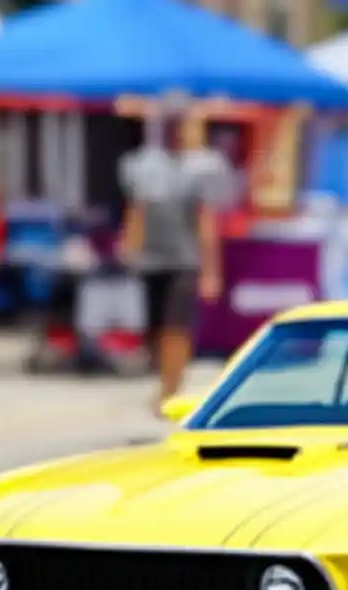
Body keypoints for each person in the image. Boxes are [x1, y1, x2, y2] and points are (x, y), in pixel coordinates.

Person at [119, 114, 225, 413]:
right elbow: (136, 210)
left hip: (184, 260)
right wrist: (129, 247)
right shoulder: (144, 165)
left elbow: (205, 223)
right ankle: (165, 380)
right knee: (154, 327)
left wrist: (211, 270)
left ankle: (171, 388)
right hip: (152, 260)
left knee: (175, 326)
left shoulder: (201, 168)